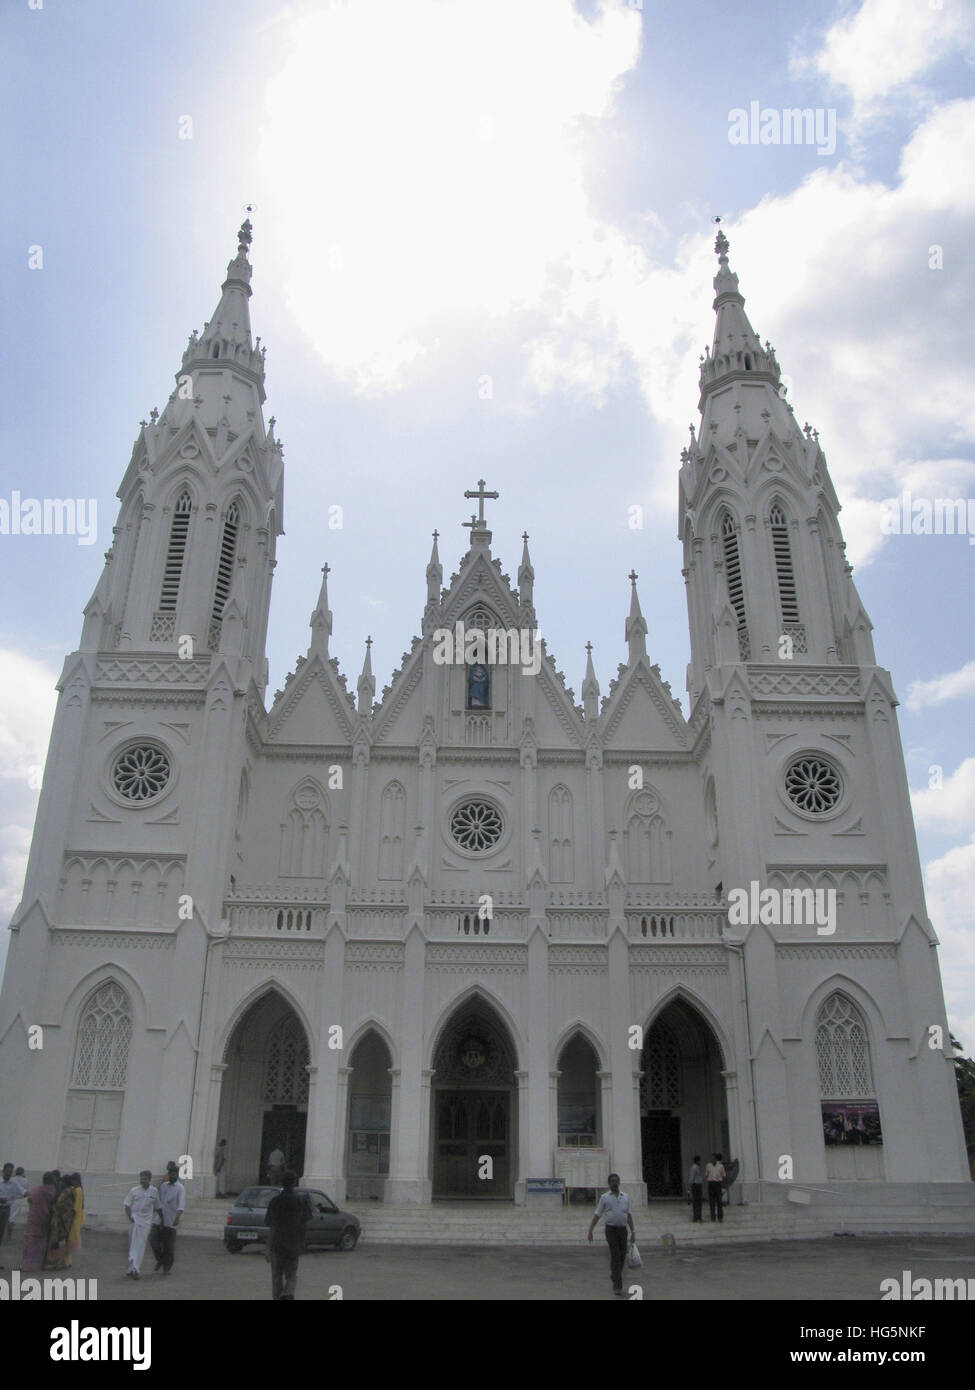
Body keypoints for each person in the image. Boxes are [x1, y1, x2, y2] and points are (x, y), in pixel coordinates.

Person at [265, 1171, 311, 1300]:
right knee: (291, 1275)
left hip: (277, 1245)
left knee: (276, 1277)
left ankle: (278, 1296)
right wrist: (302, 1243)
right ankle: (287, 1293)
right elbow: (304, 1225)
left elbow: (272, 1226)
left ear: (282, 1183)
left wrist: (267, 1248)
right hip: (293, 1245)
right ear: (294, 1183)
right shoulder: (301, 1201)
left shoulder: (275, 1201)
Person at [587, 1172, 635, 1296]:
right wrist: (590, 1230)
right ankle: (617, 1286)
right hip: (611, 1230)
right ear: (609, 1183)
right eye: (612, 1181)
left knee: (622, 1255)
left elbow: (629, 1215)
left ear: (619, 1182)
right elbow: (597, 1214)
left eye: (616, 1181)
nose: (614, 1183)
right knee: (615, 1255)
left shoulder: (625, 1197)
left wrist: (633, 1231)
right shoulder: (605, 1197)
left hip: (622, 1230)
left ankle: (614, 1274)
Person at [124, 1170, 160, 1279]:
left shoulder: (154, 1191)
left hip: (146, 1223)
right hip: (134, 1221)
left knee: (140, 1244)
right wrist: (130, 1217)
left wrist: (162, 1219)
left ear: (149, 1179)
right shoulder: (134, 1191)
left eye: (144, 1179)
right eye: (141, 1179)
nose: (142, 1181)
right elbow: (126, 1205)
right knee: (133, 1244)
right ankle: (132, 1267)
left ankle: (136, 1268)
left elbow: (158, 1206)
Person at [151, 1162, 185, 1274]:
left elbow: (181, 1204)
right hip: (159, 1219)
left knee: (168, 1246)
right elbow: (159, 1201)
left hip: (171, 1220)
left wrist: (177, 1217)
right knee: (153, 1241)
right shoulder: (164, 1186)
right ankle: (160, 1259)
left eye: (174, 1174)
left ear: (177, 1175)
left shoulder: (180, 1188)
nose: (172, 1176)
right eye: (171, 1174)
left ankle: (167, 1267)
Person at [21, 1173, 57, 1272]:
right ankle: (39, 1264)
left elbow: (29, 1199)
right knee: (41, 1243)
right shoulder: (54, 1191)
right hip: (46, 1219)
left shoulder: (35, 1190)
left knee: (30, 1242)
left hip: (34, 1219)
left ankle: (26, 1265)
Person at [0, 1163, 20, 1253]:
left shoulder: (14, 1183)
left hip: (5, 1210)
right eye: (7, 1171)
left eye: (10, 1172)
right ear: (3, 1171)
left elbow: (23, 1191)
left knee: (1, 1233)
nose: (8, 1174)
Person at [705, 1152, 726, 1223]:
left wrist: (722, 1185)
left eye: (713, 1158)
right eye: (711, 1158)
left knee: (719, 1201)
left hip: (718, 1184)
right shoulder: (708, 1165)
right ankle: (713, 1217)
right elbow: (706, 1174)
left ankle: (720, 1217)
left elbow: (723, 1175)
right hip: (711, 1184)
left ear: (716, 1159)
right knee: (711, 1202)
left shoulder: (721, 1166)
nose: (712, 1159)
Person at [68, 1173, 85, 1256]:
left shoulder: (77, 1190)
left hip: (75, 1215)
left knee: (73, 1233)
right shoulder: (79, 1189)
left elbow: (76, 1205)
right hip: (78, 1214)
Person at [688, 1155, 704, 1223]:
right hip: (696, 1185)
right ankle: (696, 1216)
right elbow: (692, 1177)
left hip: (697, 1185)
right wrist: (691, 1185)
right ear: (697, 1161)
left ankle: (698, 1216)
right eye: (699, 1160)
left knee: (698, 1201)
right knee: (696, 1201)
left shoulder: (696, 1167)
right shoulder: (694, 1168)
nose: (700, 1162)